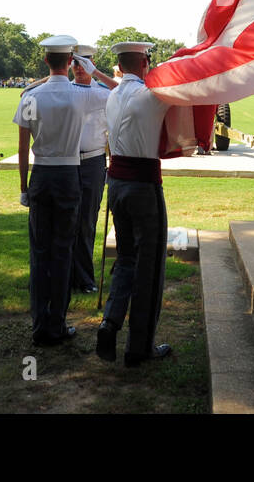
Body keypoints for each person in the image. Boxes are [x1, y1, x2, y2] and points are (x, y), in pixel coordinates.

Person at [14, 35, 114, 346]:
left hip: (42, 174)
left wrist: (22, 186)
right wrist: (94, 72)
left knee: (39, 253)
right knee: (62, 252)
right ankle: (56, 323)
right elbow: (121, 91)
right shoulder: (82, 96)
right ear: (71, 62)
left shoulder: (32, 97)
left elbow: (22, 148)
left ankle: (39, 324)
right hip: (70, 175)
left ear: (45, 61)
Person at [97, 41, 173, 367]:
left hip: (116, 184)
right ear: (144, 62)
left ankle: (110, 322)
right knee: (149, 266)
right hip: (143, 186)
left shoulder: (112, 95)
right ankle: (139, 347)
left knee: (126, 258)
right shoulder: (151, 95)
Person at [69, 44, 112, 296]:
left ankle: (84, 277)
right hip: (67, 161)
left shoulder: (104, 92)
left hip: (93, 162)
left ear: (92, 63)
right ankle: (65, 275)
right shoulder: (63, 89)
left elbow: (124, 93)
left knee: (86, 221)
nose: (79, 67)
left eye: (84, 62)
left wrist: (95, 73)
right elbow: (28, 93)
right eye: (74, 62)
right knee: (66, 221)